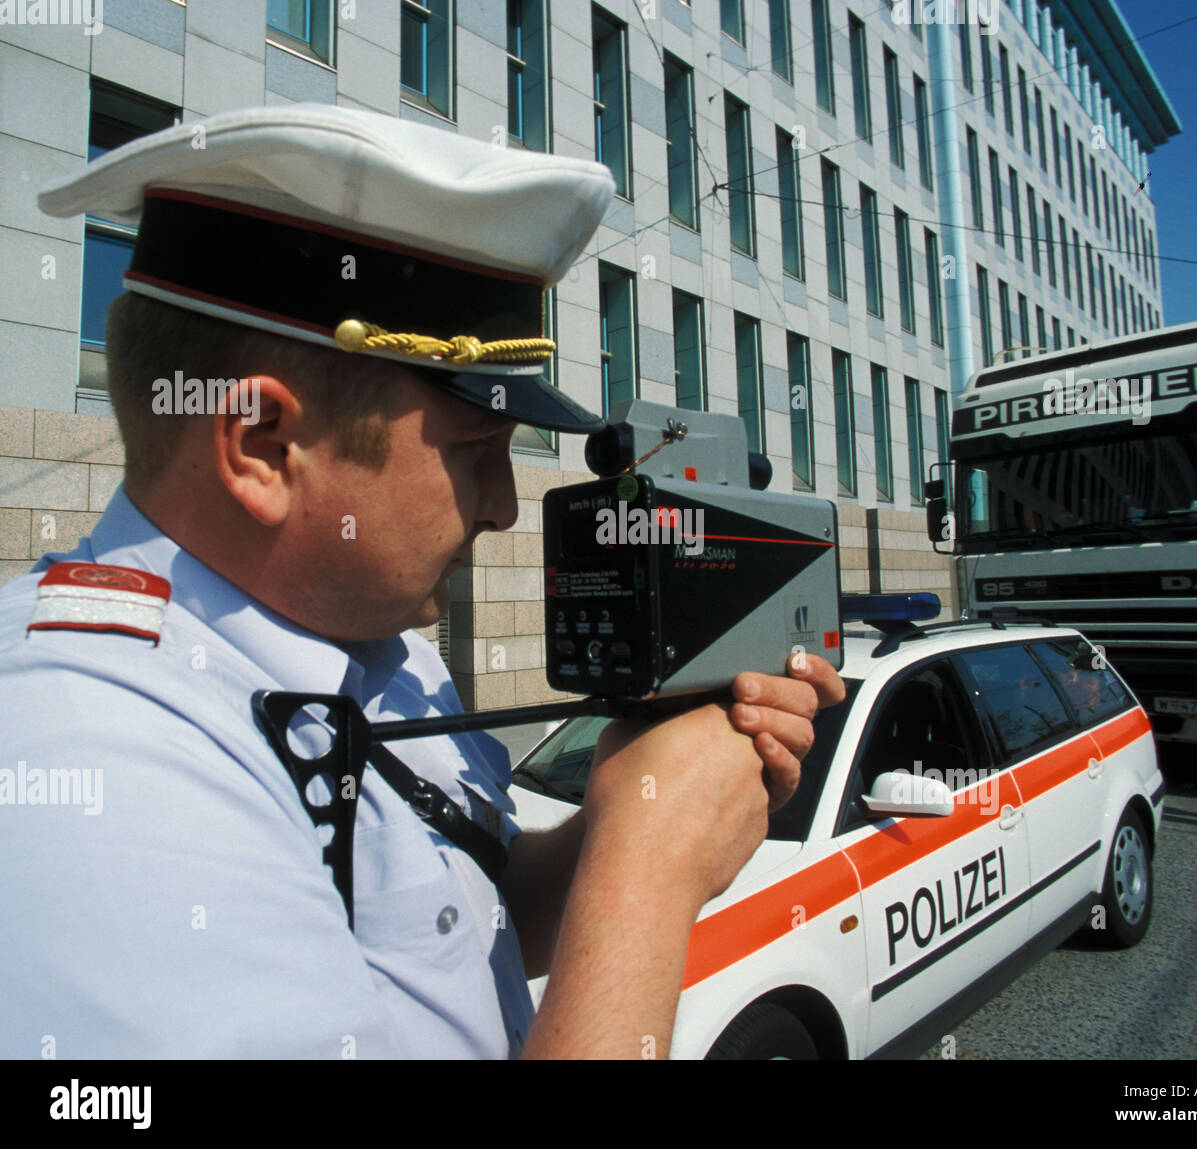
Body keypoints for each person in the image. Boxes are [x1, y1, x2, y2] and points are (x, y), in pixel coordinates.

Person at [0, 105, 843, 1058]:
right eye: (478, 450)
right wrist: (644, 880)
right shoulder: (93, 776)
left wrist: (645, 804)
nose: (506, 507)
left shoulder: (378, 648)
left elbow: (456, 917)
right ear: (264, 446)